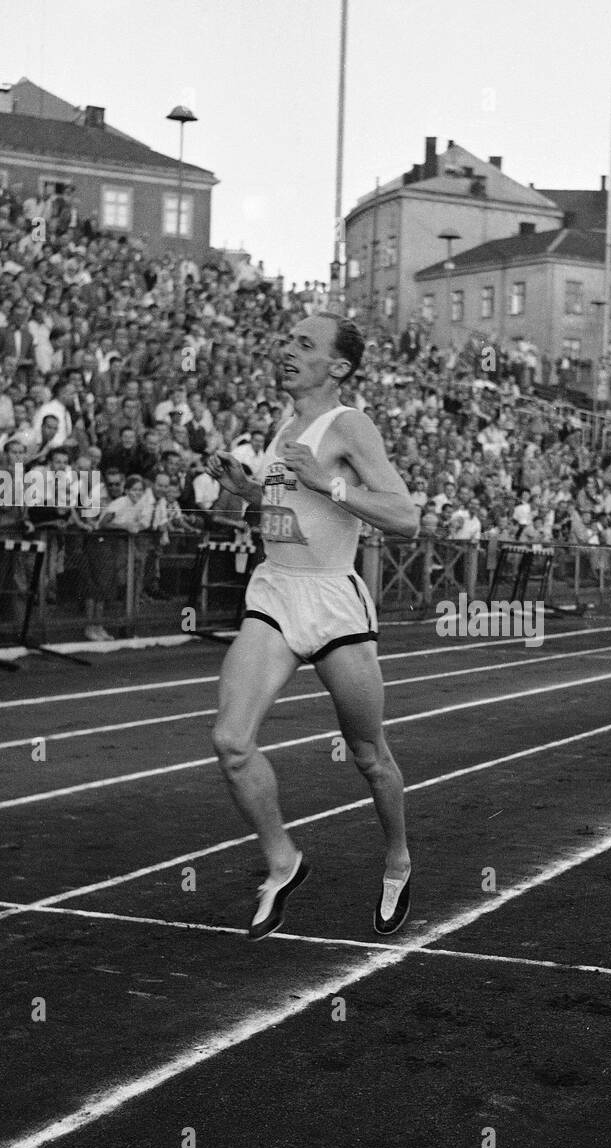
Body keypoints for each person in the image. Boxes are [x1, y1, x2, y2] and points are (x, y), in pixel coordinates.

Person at [205, 314, 419, 939]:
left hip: (331, 600)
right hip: (275, 591)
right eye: (286, 340)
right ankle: (282, 861)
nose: (287, 350)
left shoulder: (349, 425)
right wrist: (249, 492)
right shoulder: (285, 428)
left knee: (368, 755)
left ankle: (398, 859)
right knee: (230, 741)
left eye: (305, 344)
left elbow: (405, 516)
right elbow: (286, 513)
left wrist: (327, 481)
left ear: (340, 367)